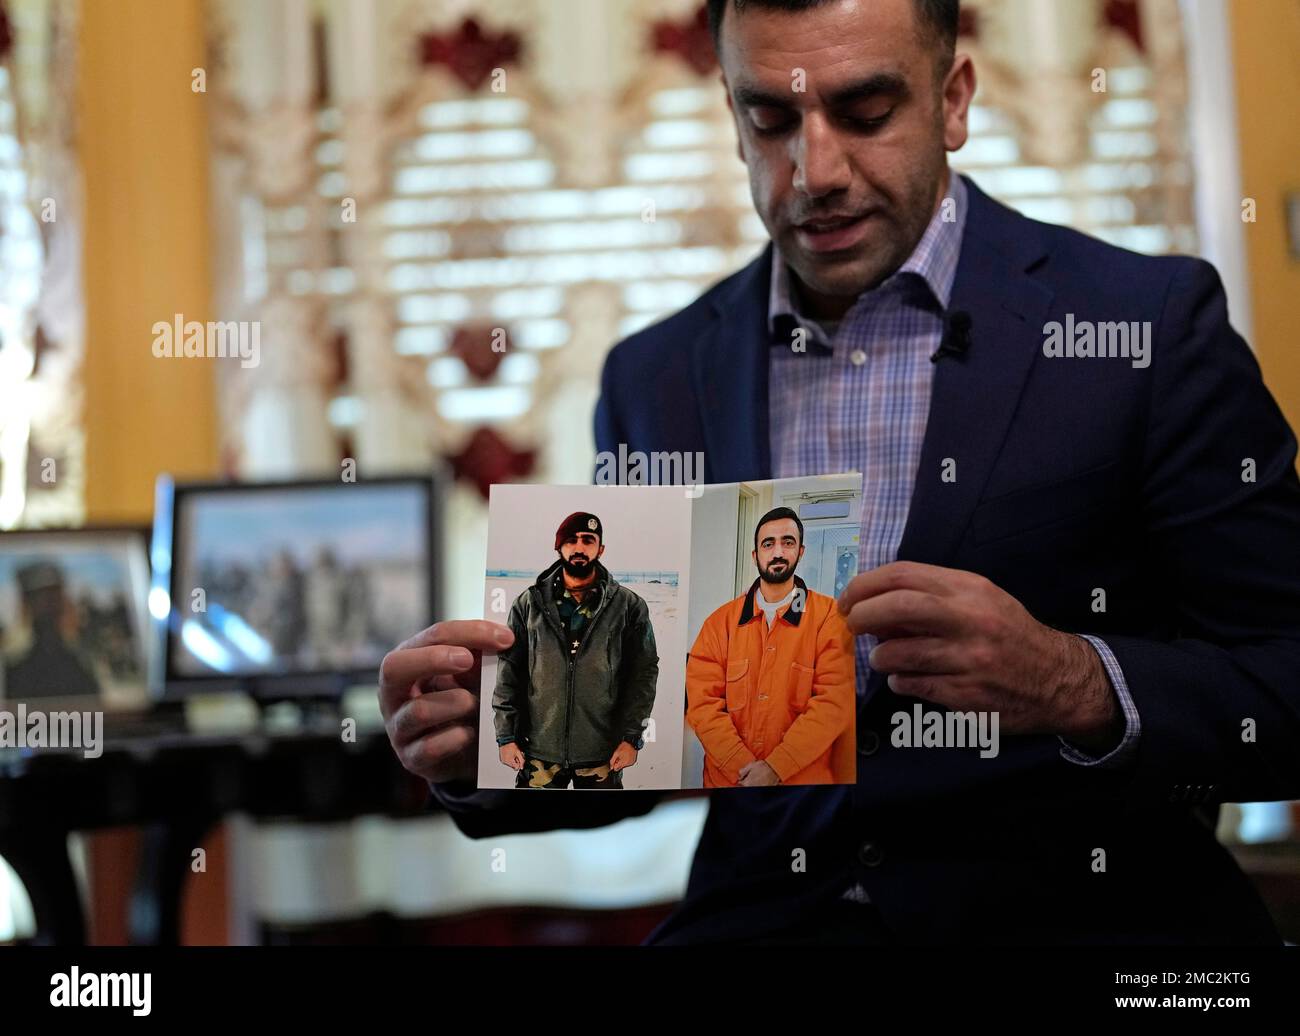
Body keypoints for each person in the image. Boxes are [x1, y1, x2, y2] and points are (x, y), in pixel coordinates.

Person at [380, 0, 1300, 943]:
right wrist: (476, 751)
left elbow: (1286, 687)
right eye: (770, 120)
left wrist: (1073, 680)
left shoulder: (1147, 328)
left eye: (865, 113)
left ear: (954, 99)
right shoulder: (655, 377)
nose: (814, 173)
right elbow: (641, 746)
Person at [686, 507, 855, 787]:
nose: (777, 552)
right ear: (755, 555)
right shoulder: (719, 624)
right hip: (730, 785)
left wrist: (777, 767)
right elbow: (703, 707)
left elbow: (833, 703)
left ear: (800, 551)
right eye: (768, 544)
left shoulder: (830, 617)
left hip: (800, 791)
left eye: (787, 542)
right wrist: (746, 769)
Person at [493, 512, 660, 789]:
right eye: (571, 540)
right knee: (533, 829)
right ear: (558, 547)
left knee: (606, 829)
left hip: (602, 755)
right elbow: (509, 672)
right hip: (538, 754)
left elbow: (643, 675)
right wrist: (506, 737)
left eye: (588, 540)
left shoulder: (629, 606)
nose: (579, 548)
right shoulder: (528, 604)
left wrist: (632, 739)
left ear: (601, 548)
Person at [4, 560, 101, 700]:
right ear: (28, 602)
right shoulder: (14, 665)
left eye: (55, 594)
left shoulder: (80, 658)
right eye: (42, 596)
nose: (51, 602)